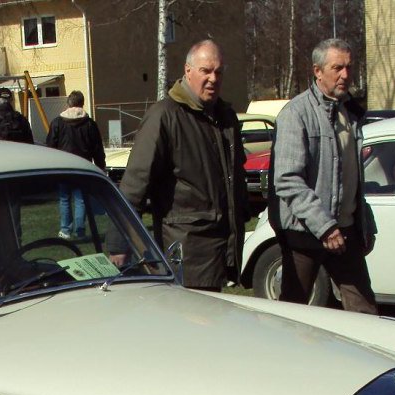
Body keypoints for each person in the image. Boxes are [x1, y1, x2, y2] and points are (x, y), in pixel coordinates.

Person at [117, 39, 247, 291]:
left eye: (218, 72)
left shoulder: (225, 118)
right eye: (205, 71)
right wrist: (118, 242)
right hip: (185, 253)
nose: (213, 78)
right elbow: (136, 182)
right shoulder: (164, 116)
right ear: (188, 71)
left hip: (220, 250)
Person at [267, 37, 377, 313]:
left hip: (346, 231)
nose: (345, 75)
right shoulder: (296, 114)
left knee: (364, 312)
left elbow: (352, 179)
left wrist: (365, 223)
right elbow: (287, 179)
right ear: (317, 71)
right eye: (337, 68)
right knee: (293, 314)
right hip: (304, 232)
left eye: (349, 67)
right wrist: (325, 226)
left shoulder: (350, 113)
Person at [45, 90, 106, 240]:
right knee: (81, 199)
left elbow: (50, 145)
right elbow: (97, 147)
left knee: (64, 198)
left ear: (68, 103)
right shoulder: (89, 124)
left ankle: (65, 230)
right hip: (82, 166)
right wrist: (100, 166)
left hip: (63, 166)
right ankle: (80, 230)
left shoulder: (57, 122)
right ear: (82, 103)